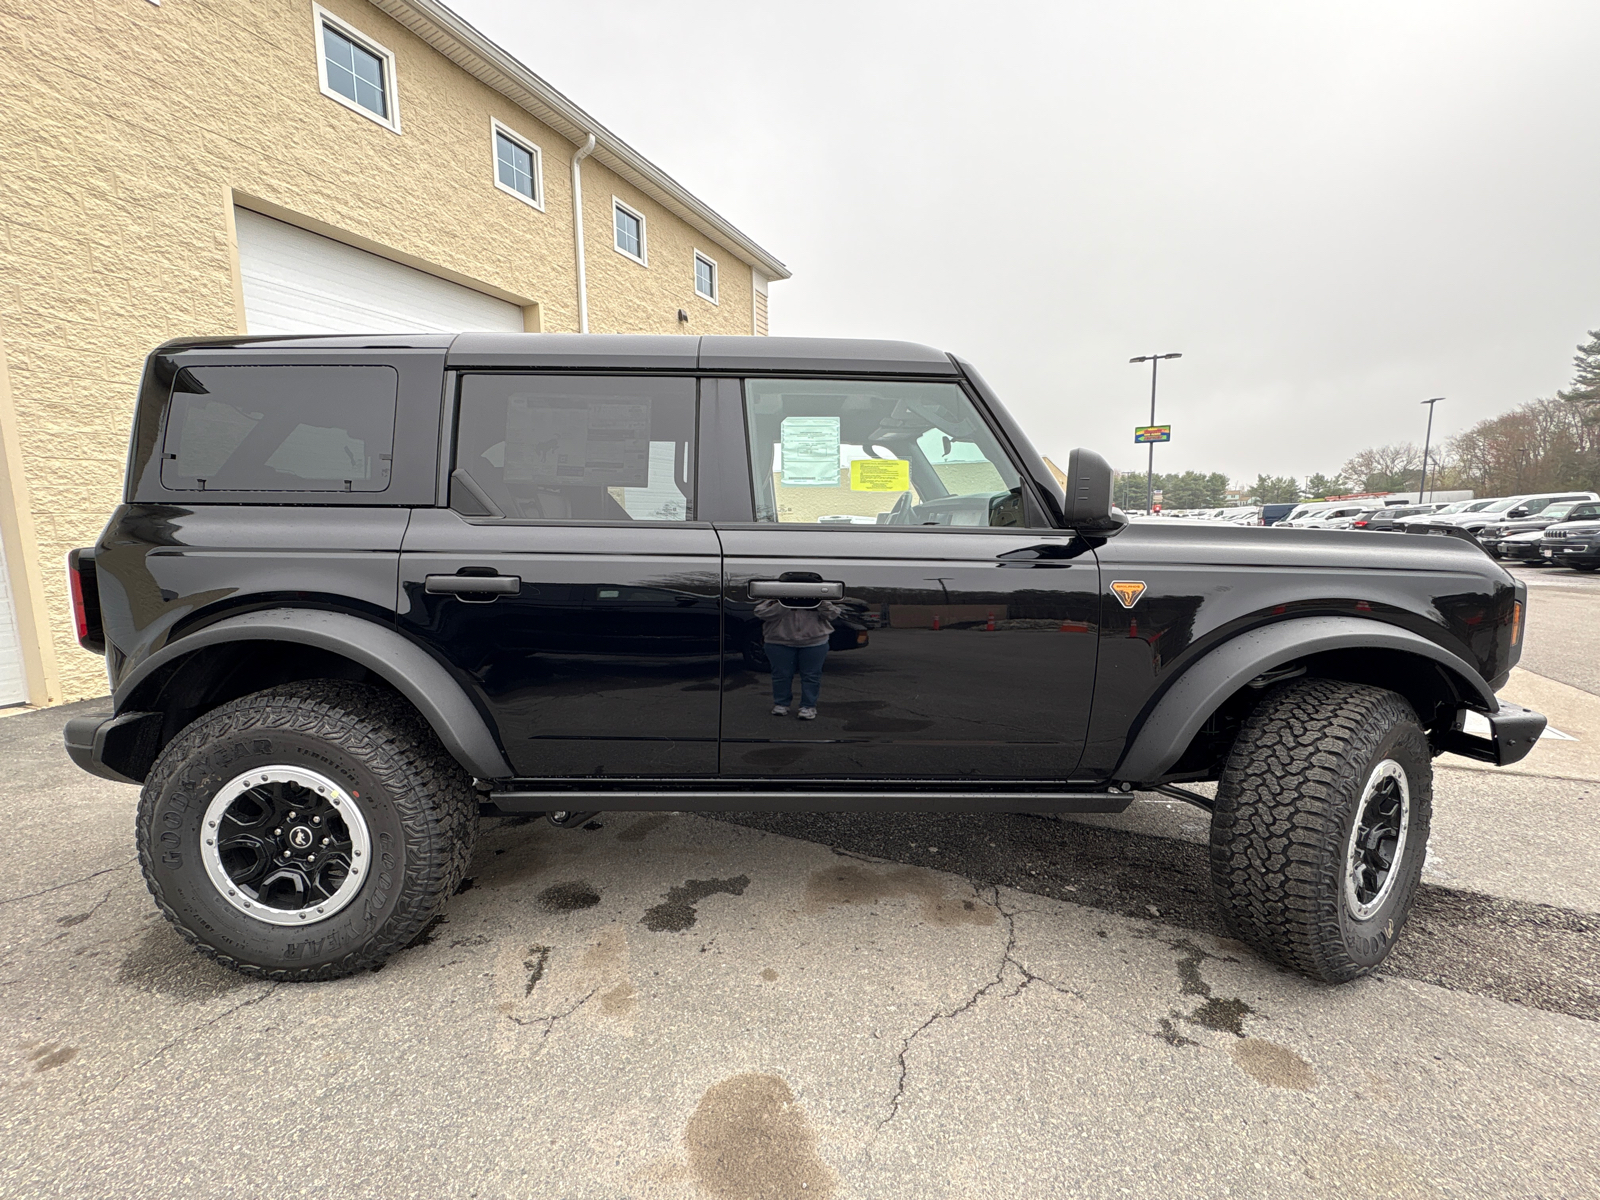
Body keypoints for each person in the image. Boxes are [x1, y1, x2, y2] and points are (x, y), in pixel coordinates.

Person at [755, 595, 841, 720]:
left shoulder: (818, 598)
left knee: (811, 675)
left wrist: (818, 602)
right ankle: (781, 703)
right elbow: (761, 613)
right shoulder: (774, 599)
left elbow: (832, 614)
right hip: (778, 642)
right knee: (781, 674)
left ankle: (808, 706)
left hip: (814, 642)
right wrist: (784, 603)